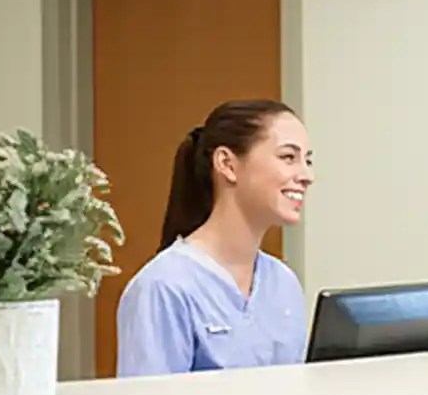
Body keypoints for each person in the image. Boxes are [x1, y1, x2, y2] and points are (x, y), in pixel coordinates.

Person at [116, 100, 314, 377]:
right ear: (227, 164)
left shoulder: (283, 283)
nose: (306, 176)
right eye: (288, 158)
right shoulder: (164, 287)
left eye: (308, 160)